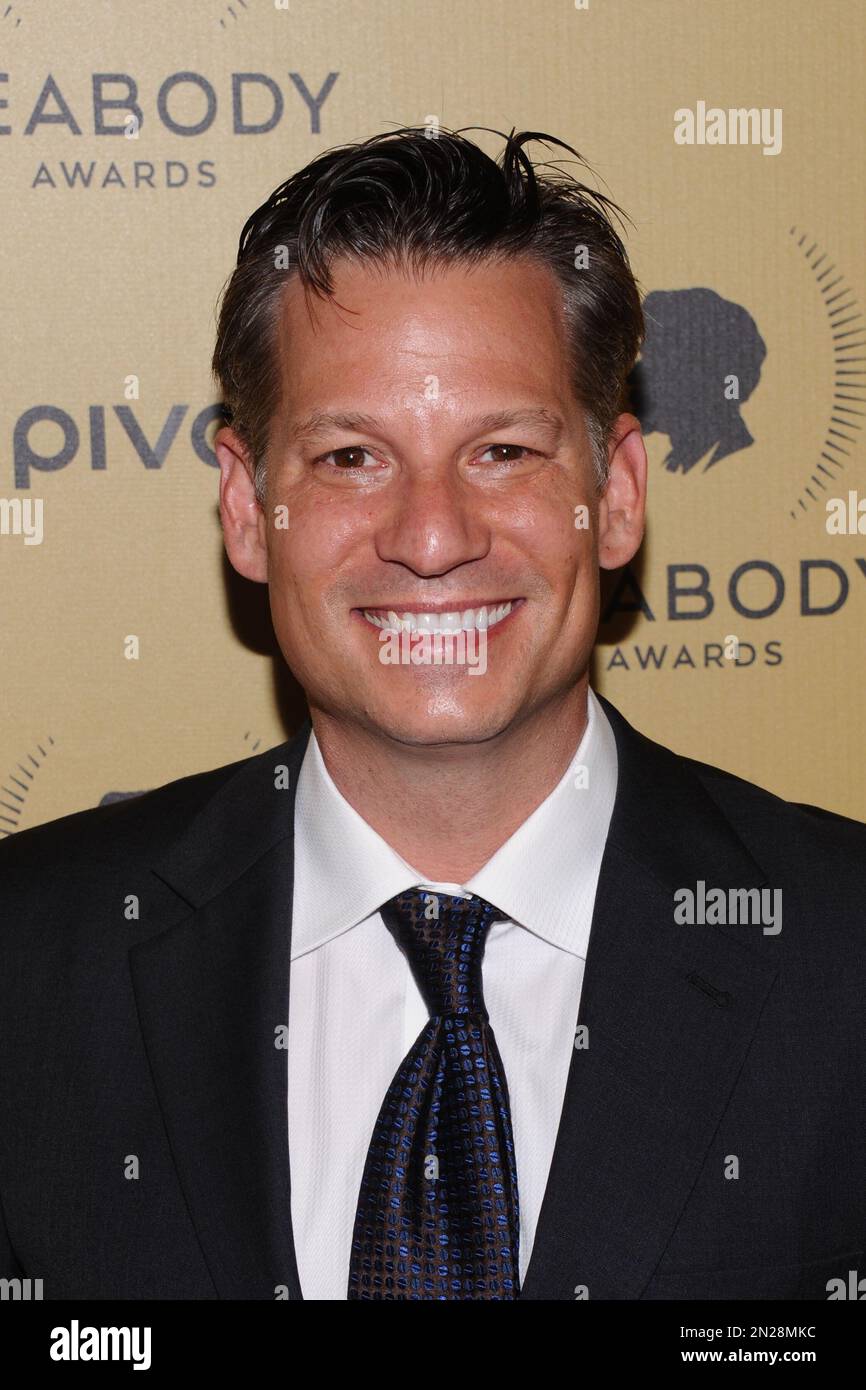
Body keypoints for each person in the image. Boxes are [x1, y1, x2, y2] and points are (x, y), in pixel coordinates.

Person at [1, 127, 864, 1302]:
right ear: (248, 514)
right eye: (351, 456)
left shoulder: (837, 949)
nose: (430, 536)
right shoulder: (31, 961)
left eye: (501, 451)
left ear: (613, 497)